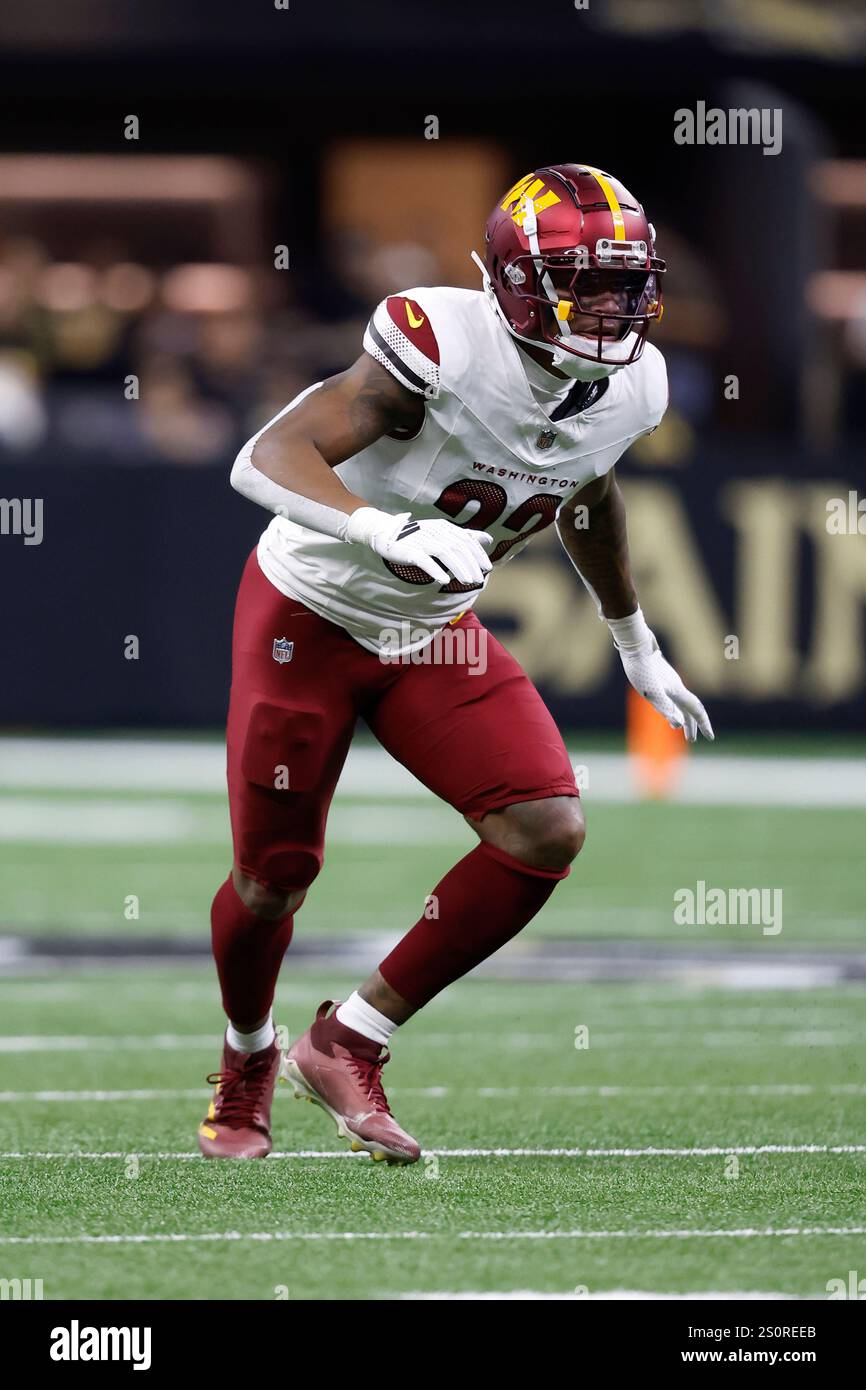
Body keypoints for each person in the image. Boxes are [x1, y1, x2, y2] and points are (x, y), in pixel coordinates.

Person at [198, 163, 713, 1165]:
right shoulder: (441, 344)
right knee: (272, 880)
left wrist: (633, 641)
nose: (609, 308)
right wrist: (380, 526)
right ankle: (245, 1055)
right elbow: (261, 455)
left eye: (623, 283)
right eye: (583, 283)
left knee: (543, 827)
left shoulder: (633, 384)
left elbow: (586, 494)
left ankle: (348, 1037)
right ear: (519, 284)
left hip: (432, 630)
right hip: (308, 615)